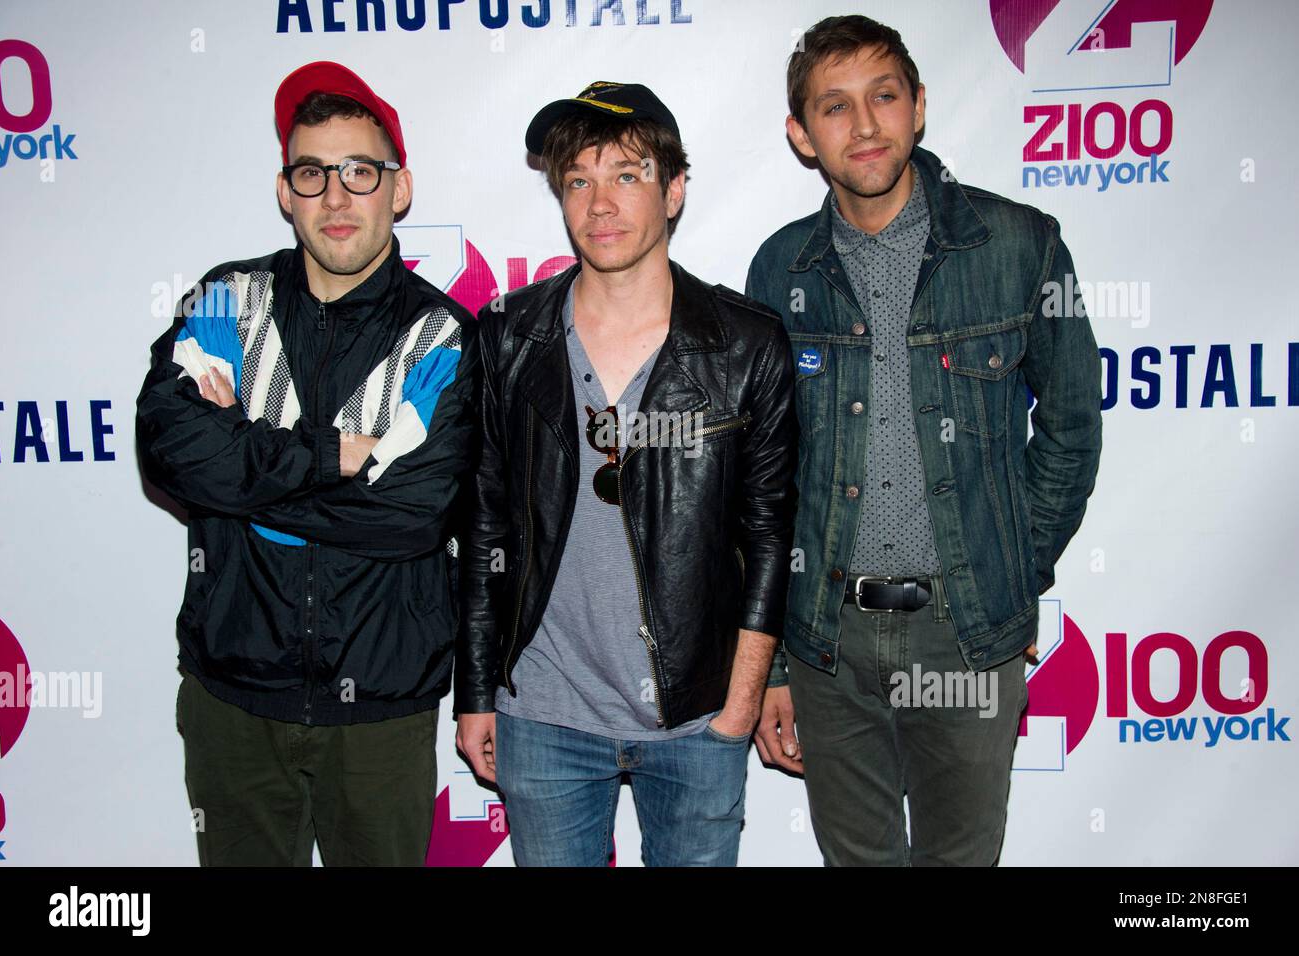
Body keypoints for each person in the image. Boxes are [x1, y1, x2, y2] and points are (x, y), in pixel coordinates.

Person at [747, 15, 1102, 866]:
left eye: (884, 96)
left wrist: (1011, 569)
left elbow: (1071, 427)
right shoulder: (779, 271)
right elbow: (764, 479)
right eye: (834, 107)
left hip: (968, 630)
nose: (864, 125)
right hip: (825, 635)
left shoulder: (1020, 245)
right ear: (801, 134)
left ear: (919, 108)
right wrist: (780, 666)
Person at [136, 61, 478, 866]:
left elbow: (416, 514)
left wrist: (241, 467)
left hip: (381, 709)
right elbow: (169, 449)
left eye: (360, 172)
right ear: (284, 190)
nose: (335, 196)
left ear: (400, 189)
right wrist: (336, 455)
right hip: (233, 697)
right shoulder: (227, 298)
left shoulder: (446, 337)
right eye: (312, 172)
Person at [454, 81, 798, 867]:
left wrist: (742, 700)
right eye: (579, 180)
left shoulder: (744, 344)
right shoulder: (509, 336)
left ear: (674, 191)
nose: (600, 203)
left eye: (628, 175)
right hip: (542, 714)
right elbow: (484, 528)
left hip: (698, 716)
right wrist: (475, 693)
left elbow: (771, 535)